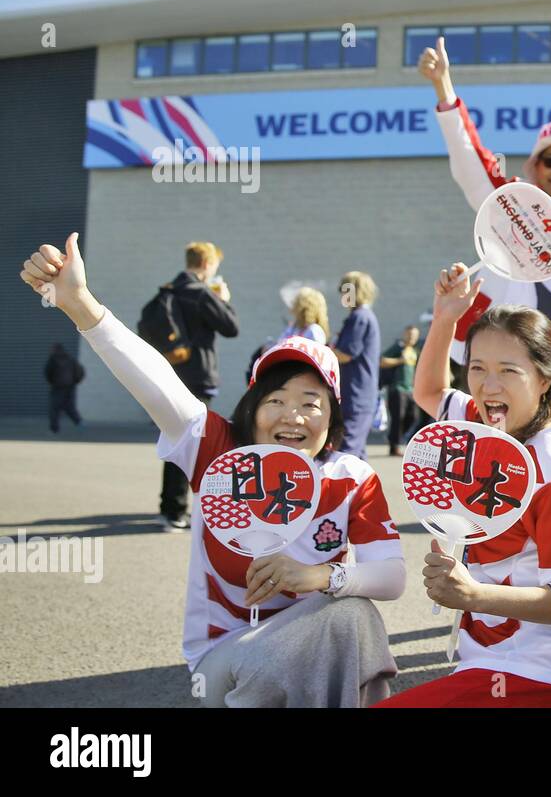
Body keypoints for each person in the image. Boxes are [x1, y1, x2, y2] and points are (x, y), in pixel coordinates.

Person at [20, 233, 405, 707]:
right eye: (276, 400)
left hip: (313, 638)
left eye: (311, 403)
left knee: (353, 617)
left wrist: (320, 576)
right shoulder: (218, 450)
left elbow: (391, 576)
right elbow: (156, 379)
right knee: (341, 625)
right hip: (227, 658)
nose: (293, 416)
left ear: (333, 416)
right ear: (251, 408)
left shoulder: (351, 475)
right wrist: (80, 305)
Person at [375, 263, 551, 708]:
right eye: (478, 367)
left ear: (545, 380)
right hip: (486, 666)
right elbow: (429, 392)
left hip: (550, 676)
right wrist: (445, 316)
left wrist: (473, 595)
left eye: (508, 370)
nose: (488, 385)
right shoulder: (480, 424)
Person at [418, 37, 551, 364]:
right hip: (492, 358)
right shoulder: (508, 202)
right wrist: (443, 86)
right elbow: (470, 158)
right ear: (536, 164)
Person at [158, 241, 239, 532]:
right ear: (207, 264)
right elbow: (231, 326)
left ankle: (169, 506)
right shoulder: (200, 292)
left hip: (170, 371)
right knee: (189, 442)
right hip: (196, 376)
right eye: (215, 264)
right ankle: (176, 512)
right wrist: (224, 299)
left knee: (174, 436)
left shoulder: (169, 289)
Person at [332, 271, 381, 460]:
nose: (342, 297)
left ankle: (338, 490)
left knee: (347, 453)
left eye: (345, 291)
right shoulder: (363, 316)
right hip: (359, 394)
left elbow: (345, 354)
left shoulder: (359, 318)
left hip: (355, 394)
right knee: (358, 455)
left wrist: (320, 350)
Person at [379, 325, 422, 457]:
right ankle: (394, 446)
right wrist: (400, 360)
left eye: (414, 336)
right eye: (409, 335)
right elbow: (382, 360)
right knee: (398, 418)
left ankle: (395, 438)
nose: (411, 338)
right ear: (404, 334)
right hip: (397, 389)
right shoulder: (398, 347)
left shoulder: (415, 351)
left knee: (413, 416)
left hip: (410, 389)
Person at [44, 342, 84, 433]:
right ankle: (79, 422)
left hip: (57, 387)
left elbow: (48, 372)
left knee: (54, 408)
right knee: (69, 406)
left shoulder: (53, 359)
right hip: (70, 386)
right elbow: (79, 371)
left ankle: (54, 428)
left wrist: (52, 382)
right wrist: (75, 382)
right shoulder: (70, 359)